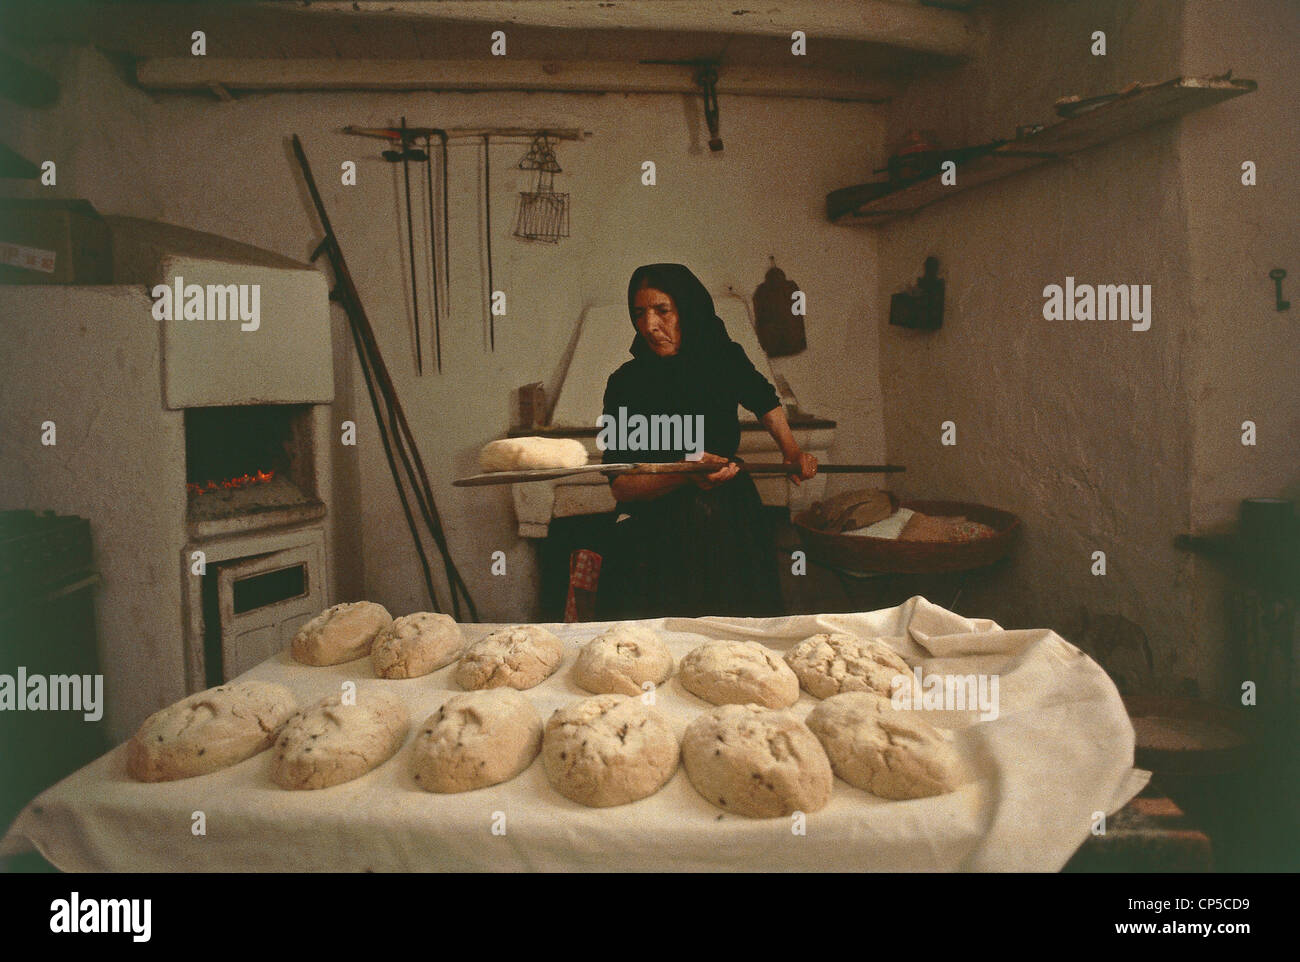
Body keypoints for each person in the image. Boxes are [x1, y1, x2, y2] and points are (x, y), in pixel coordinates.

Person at [593, 263, 817, 620]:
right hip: (654, 535)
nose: (649, 326)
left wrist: (791, 451)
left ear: (688, 309)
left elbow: (765, 401)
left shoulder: (724, 358)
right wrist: (685, 473)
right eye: (639, 313)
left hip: (730, 522)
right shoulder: (626, 383)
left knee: (735, 639)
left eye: (662, 311)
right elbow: (621, 486)